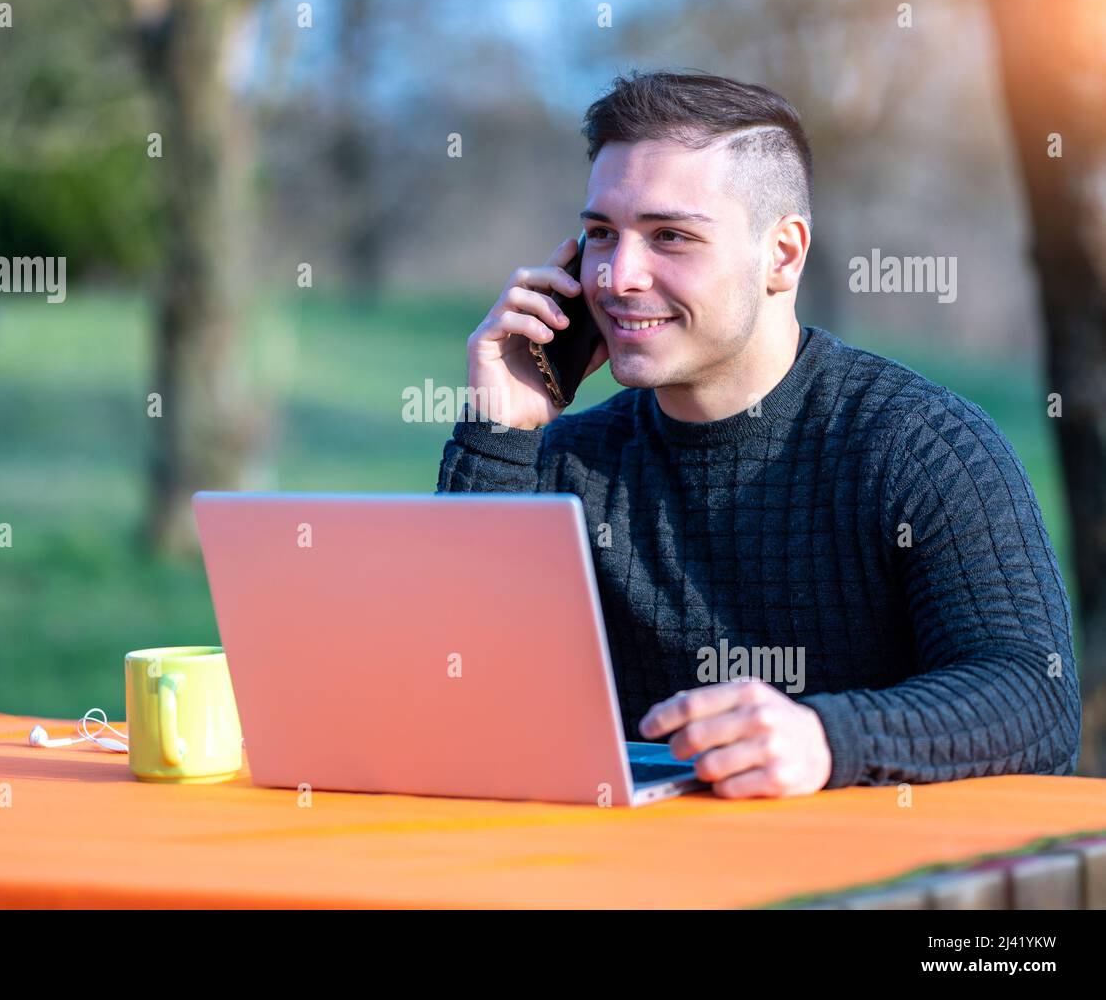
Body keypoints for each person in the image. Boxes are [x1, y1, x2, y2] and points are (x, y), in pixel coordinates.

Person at [436, 70, 1081, 798]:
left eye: (670, 236)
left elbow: (1036, 698)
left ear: (782, 255)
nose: (616, 277)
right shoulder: (559, 464)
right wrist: (499, 432)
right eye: (599, 235)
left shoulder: (920, 446)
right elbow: (449, 701)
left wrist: (829, 741)